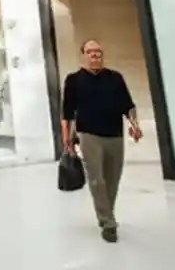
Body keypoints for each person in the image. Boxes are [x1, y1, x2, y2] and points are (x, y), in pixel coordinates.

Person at [61, 39, 142, 244]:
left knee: (112, 179)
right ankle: (108, 222)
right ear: (83, 55)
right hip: (89, 135)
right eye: (90, 52)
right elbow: (67, 112)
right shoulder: (74, 80)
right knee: (97, 180)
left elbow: (128, 105)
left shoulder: (115, 78)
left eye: (98, 52)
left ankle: (107, 213)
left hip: (115, 134)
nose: (95, 55)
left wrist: (135, 125)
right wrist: (66, 136)